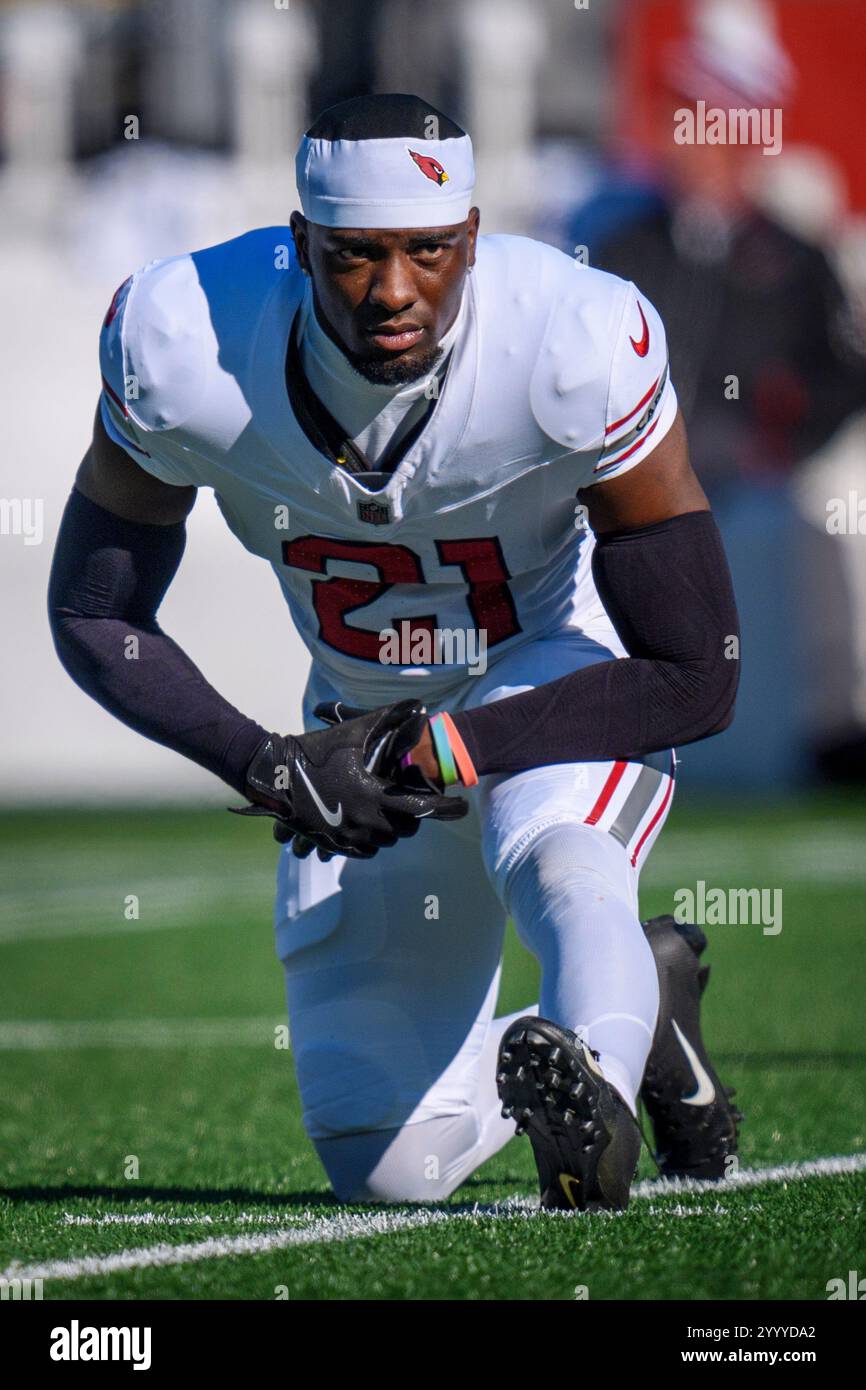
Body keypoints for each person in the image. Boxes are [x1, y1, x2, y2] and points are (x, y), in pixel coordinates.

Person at [49, 94, 741, 1212]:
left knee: (556, 850)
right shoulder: (185, 341)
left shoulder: (565, 340)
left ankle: (597, 1121)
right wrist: (267, 763)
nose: (392, 291)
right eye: (355, 255)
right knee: (388, 1166)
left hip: (550, 668)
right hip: (358, 715)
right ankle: (638, 1014)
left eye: (427, 251)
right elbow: (95, 611)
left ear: (471, 238)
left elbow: (696, 667)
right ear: (299, 239)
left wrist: (454, 748)